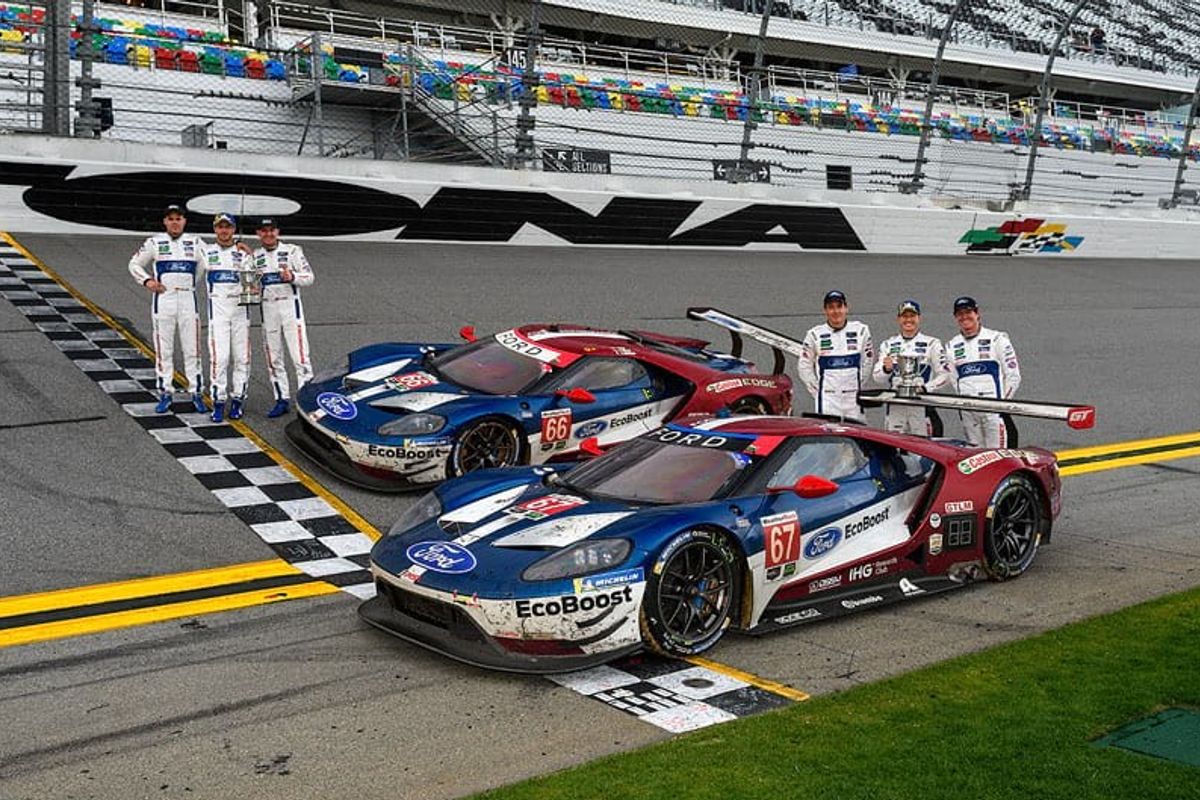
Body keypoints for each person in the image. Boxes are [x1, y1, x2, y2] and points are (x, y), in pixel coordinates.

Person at [128, 203, 206, 414]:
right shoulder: (154, 242)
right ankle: (165, 392)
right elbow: (134, 264)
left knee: (193, 348)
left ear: (184, 221)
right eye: (170, 218)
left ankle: (196, 392)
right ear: (165, 221)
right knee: (164, 349)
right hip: (164, 298)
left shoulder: (196, 242)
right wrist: (147, 281)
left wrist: (238, 246)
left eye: (178, 218)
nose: (174, 222)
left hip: (188, 298)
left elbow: (209, 263)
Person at [254, 217, 314, 418]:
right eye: (264, 230)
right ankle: (282, 399)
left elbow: (309, 277)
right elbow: (250, 288)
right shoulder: (255, 256)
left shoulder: (293, 250)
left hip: (290, 308)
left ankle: (307, 402)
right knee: (274, 357)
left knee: (300, 357)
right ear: (258, 234)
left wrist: (293, 277)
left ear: (277, 232)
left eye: (272, 230)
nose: (268, 234)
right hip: (268, 310)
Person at [946, 296, 1021, 448]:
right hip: (969, 413)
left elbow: (1013, 376)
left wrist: (1001, 404)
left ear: (977, 313)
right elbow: (954, 379)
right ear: (955, 317)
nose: (964, 317)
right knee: (976, 459)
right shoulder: (952, 345)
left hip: (994, 411)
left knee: (998, 459)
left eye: (968, 312)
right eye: (960, 314)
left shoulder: (997, 339)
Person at [872, 300, 951, 435]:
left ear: (919, 318)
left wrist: (926, 388)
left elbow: (946, 375)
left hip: (921, 406)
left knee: (923, 450)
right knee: (895, 450)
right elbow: (877, 378)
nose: (908, 320)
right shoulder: (888, 344)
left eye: (912, 316)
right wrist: (887, 369)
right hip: (895, 407)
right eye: (905, 316)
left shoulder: (932, 343)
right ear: (899, 319)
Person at [204, 212, 253, 422]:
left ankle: (238, 401)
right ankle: (218, 402)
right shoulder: (205, 252)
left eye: (228, 226)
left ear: (234, 229)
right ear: (215, 229)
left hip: (241, 312)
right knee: (220, 358)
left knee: (242, 358)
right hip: (218, 314)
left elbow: (254, 283)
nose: (224, 230)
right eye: (220, 226)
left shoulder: (243, 253)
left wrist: (249, 253)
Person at [797, 290, 873, 422]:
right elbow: (804, 366)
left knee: (856, 437)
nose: (836, 311)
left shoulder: (861, 331)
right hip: (828, 400)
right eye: (831, 307)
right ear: (825, 310)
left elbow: (868, 361)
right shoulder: (814, 334)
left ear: (846, 308)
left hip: (853, 399)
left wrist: (857, 384)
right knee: (828, 438)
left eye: (839, 306)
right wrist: (817, 390)